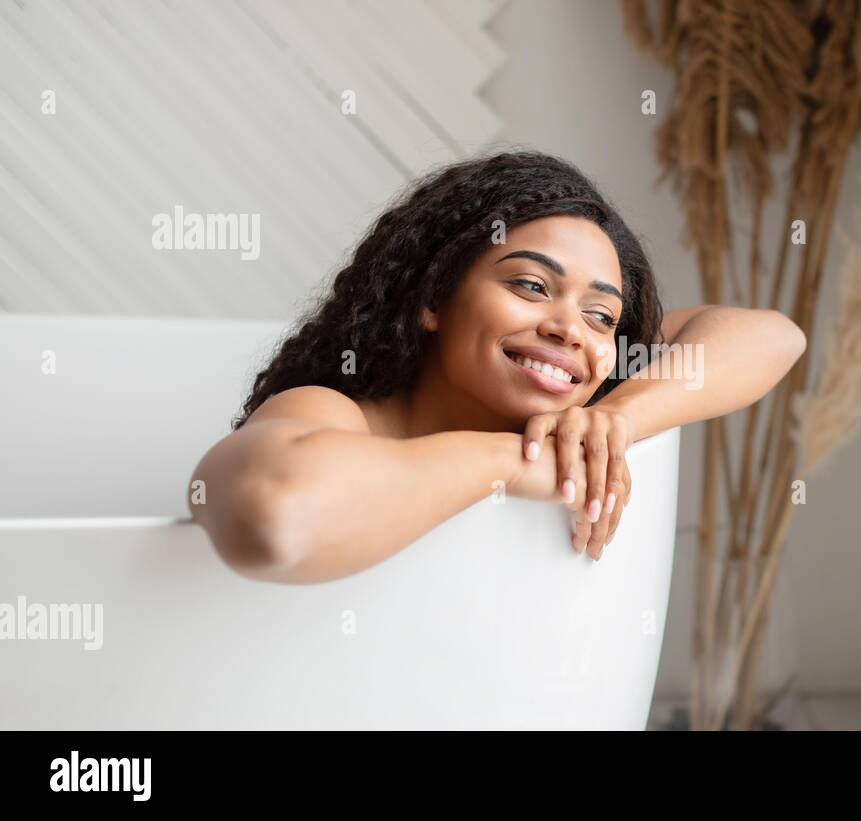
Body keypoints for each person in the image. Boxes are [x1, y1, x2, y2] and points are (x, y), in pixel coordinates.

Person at [188, 150, 805, 584]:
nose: (570, 328)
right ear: (433, 297)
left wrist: (620, 414)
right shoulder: (336, 412)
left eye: (602, 316)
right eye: (532, 286)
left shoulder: (588, 401)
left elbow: (774, 337)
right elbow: (273, 514)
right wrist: (510, 464)